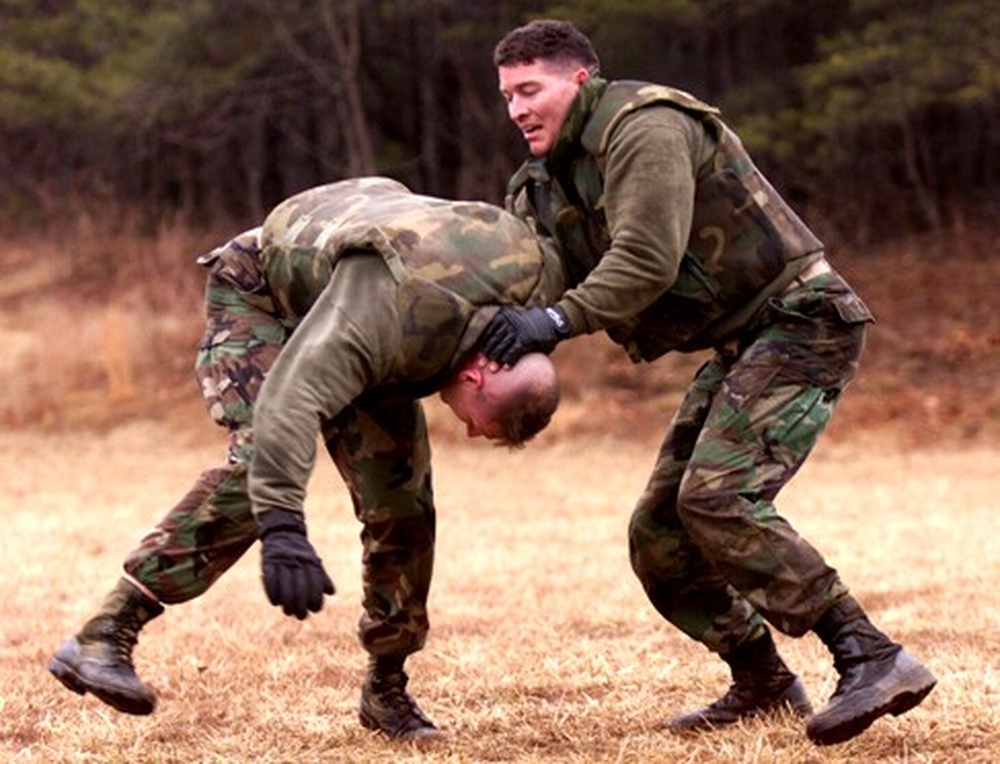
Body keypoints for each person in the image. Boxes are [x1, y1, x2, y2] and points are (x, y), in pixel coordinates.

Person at [478, 19, 936, 747]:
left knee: (718, 498)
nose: (517, 110)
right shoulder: (540, 183)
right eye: (506, 96)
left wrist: (555, 323)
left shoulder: (645, 126)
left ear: (580, 80)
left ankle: (871, 655)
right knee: (659, 534)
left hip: (801, 320)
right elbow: (515, 271)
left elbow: (647, 259)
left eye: (530, 89)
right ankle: (762, 680)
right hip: (741, 343)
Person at [49, 177, 565, 742]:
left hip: (376, 315)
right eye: (477, 421)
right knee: (259, 467)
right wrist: (283, 527)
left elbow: (627, 264)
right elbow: (289, 401)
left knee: (403, 505)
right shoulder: (383, 315)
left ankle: (386, 690)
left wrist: (570, 319)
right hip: (267, 294)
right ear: (477, 372)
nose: (467, 431)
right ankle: (105, 632)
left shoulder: (536, 286)